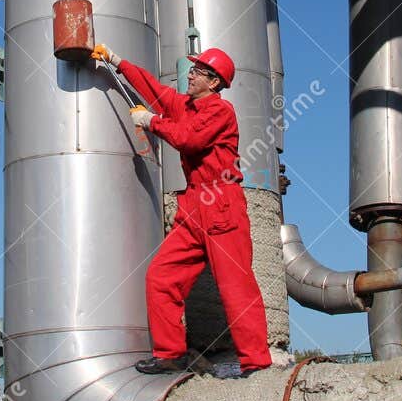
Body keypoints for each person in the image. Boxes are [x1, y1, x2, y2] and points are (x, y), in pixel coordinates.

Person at [91, 43, 273, 379]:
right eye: (193, 69)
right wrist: (117, 61)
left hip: (222, 203)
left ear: (214, 82)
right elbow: (153, 89)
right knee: (161, 277)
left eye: (198, 71)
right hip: (193, 205)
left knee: (236, 286)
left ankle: (257, 363)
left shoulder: (220, 112)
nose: (189, 74)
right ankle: (170, 353)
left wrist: (152, 121)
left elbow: (189, 140)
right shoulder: (185, 106)